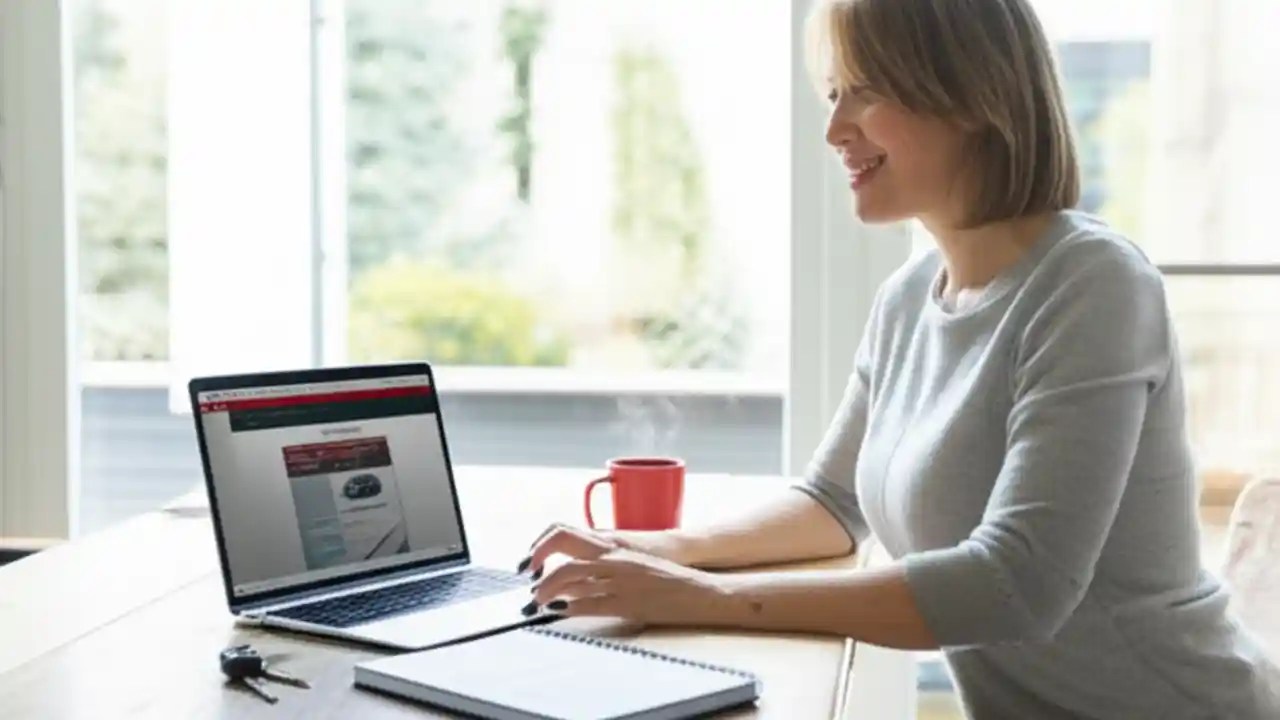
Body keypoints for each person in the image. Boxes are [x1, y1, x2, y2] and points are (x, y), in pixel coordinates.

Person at [521, 0, 1280, 716]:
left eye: (865, 91)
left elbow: (1018, 584)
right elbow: (832, 503)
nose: (834, 130)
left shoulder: (1094, 285)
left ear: (969, 93)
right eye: (832, 94)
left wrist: (701, 597)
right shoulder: (910, 296)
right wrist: (650, 552)